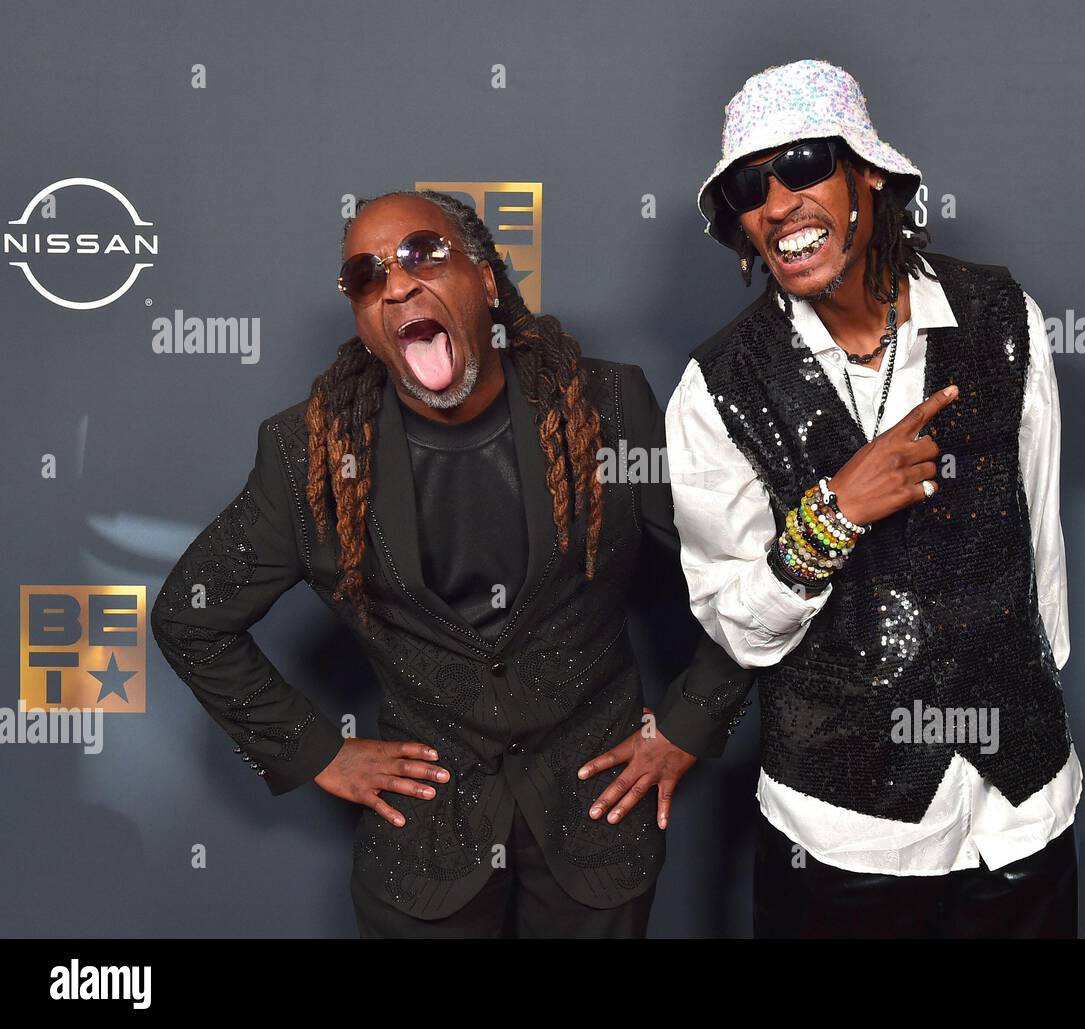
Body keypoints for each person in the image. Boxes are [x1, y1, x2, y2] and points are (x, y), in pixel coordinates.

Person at [150, 189, 751, 939]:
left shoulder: (608, 408)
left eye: (422, 254)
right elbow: (189, 615)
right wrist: (316, 750)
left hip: (597, 833)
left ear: (488, 280)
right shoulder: (306, 456)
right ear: (365, 322)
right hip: (424, 852)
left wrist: (692, 723)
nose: (397, 284)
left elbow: (746, 574)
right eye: (367, 277)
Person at [665, 59, 1081, 938]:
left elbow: (1042, 551)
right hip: (843, 835)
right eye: (750, 184)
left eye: (807, 163)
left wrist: (1032, 710)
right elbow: (735, 622)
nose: (779, 202)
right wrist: (831, 516)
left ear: (870, 178)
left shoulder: (1003, 317)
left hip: (1022, 809)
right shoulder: (716, 388)